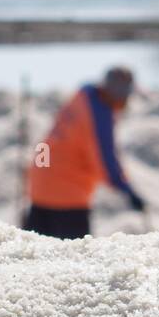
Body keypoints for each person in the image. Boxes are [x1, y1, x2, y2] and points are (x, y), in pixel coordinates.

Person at [24, 66, 145, 239]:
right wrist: (128, 191)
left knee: (35, 258)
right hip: (66, 195)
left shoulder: (82, 97)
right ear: (117, 92)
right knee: (74, 259)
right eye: (127, 94)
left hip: (40, 185)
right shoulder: (99, 113)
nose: (127, 101)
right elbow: (105, 160)